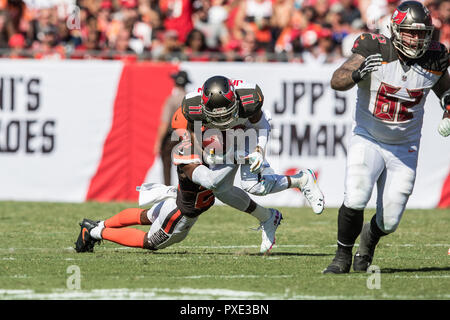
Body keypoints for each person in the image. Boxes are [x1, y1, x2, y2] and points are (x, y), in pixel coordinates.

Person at [323, 1, 450, 274]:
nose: (416, 39)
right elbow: (337, 79)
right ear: (395, 29)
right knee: (356, 195)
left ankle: (370, 238)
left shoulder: (435, 57)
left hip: (405, 147)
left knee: (390, 221)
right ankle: (342, 256)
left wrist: (448, 109)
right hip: (368, 137)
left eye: (421, 33)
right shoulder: (374, 48)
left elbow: (445, 89)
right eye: (410, 32)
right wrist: (357, 73)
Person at [74, 111, 283, 254]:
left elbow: (220, 150)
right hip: (181, 213)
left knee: (144, 216)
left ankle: (96, 226)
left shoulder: (206, 144)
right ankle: (94, 231)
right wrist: (239, 155)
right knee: (150, 242)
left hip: (176, 202)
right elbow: (212, 179)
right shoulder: (188, 157)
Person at [177, 75, 324, 218]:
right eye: (217, 116)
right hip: (221, 137)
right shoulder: (192, 107)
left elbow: (261, 125)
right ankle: (271, 213)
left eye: (227, 112)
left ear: (235, 99)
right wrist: (203, 151)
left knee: (253, 186)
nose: (223, 119)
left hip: (249, 130)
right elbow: (192, 131)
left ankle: (303, 179)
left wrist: (259, 150)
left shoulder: (249, 99)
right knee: (220, 188)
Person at [154, 70, 191, 185]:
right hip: (189, 136)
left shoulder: (171, 100)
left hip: (172, 136)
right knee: (189, 166)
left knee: (166, 165)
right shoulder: (191, 99)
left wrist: (158, 142)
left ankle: (167, 189)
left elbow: (164, 123)